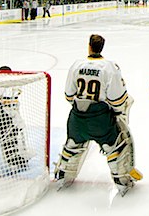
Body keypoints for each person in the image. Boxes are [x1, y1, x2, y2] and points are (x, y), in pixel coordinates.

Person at [54, 34, 140, 195]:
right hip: (101, 121)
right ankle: (121, 179)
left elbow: (68, 95)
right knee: (115, 147)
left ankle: (62, 173)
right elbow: (118, 99)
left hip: (77, 119)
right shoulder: (110, 67)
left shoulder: (76, 65)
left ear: (89, 46)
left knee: (72, 145)